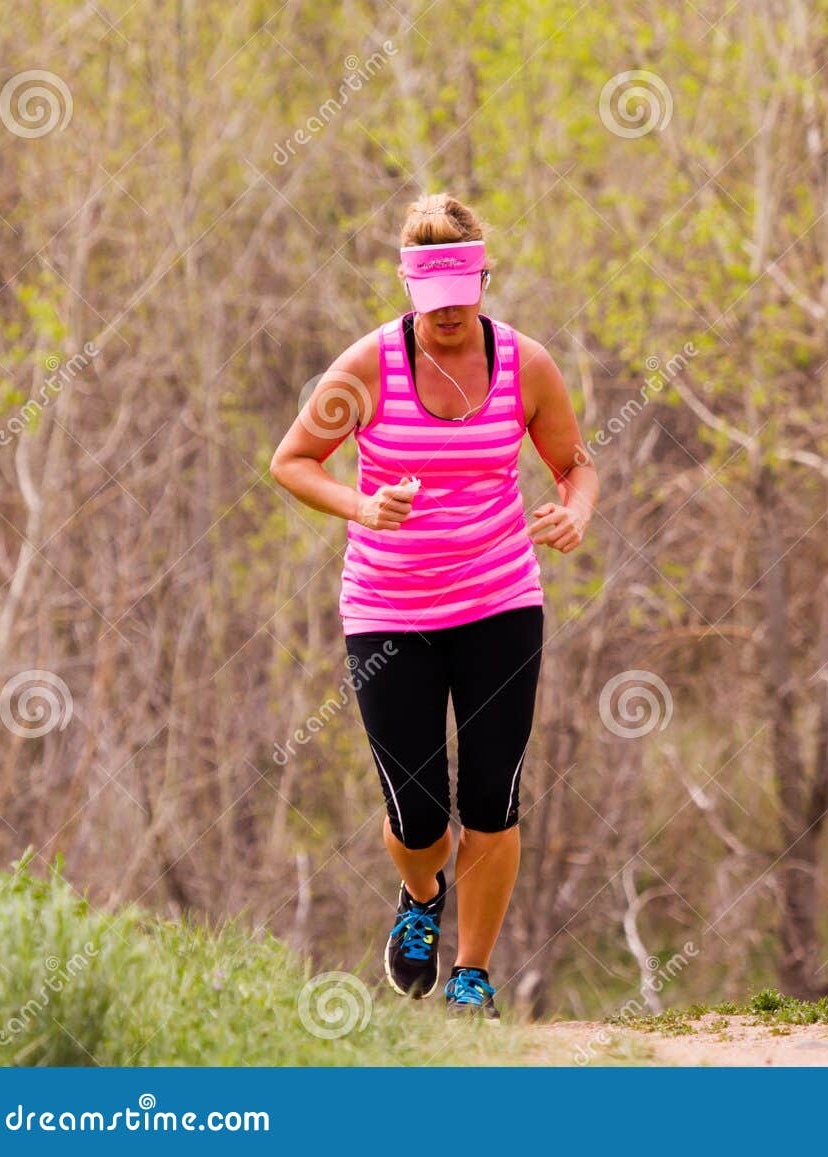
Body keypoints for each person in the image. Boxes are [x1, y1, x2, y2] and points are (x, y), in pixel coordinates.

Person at [270, 193, 597, 1019]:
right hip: (389, 614)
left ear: (483, 282)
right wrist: (359, 505)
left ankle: (474, 971)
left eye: (461, 299)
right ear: (407, 290)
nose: (447, 318)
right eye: (430, 304)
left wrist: (575, 511)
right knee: (418, 813)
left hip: (499, 603)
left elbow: (575, 464)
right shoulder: (366, 368)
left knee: (493, 796)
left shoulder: (527, 364)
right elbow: (292, 460)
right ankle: (421, 896)